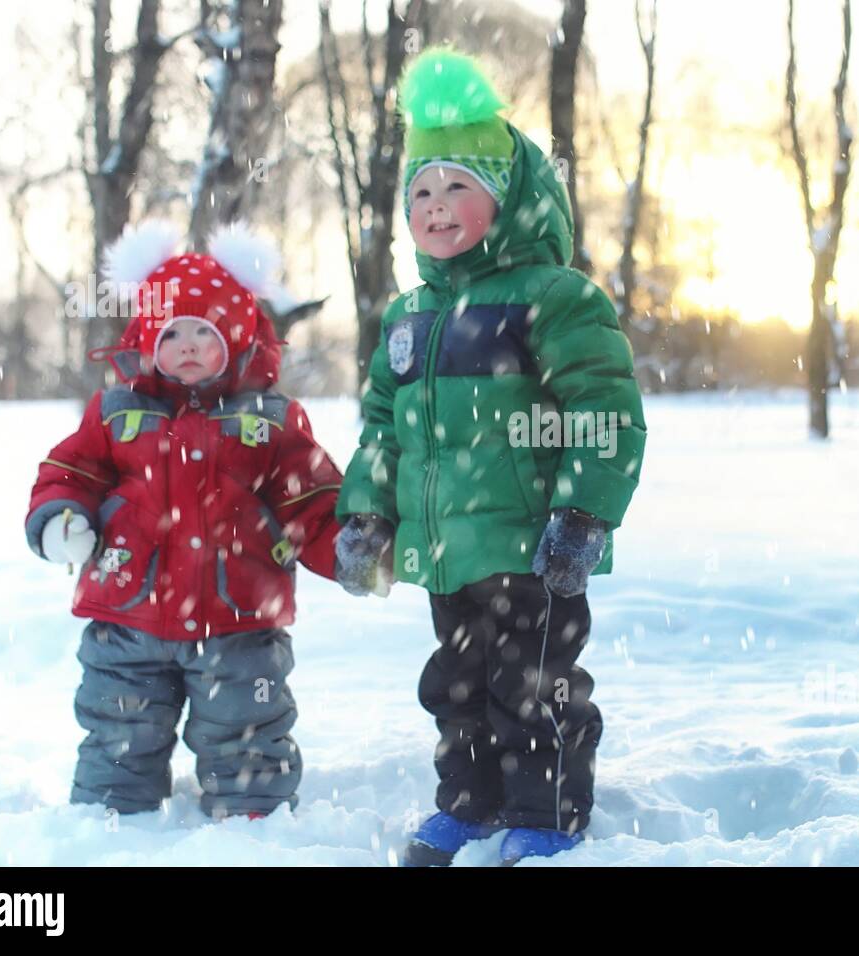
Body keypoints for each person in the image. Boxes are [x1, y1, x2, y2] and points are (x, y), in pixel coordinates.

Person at [334, 49, 647, 865]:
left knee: (531, 685)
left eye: (457, 188)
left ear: (507, 203)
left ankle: (547, 813)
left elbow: (604, 413)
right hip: (446, 552)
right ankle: (470, 803)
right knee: (456, 686)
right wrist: (368, 514)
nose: (435, 207)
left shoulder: (555, 297)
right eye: (421, 192)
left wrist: (582, 516)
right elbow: (381, 427)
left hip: (531, 550)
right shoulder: (407, 317)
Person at [25, 221, 344, 820]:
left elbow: (313, 499)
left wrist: (348, 546)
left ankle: (254, 818)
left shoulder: (271, 420)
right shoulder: (117, 412)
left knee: (246, 724)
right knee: (119, 725)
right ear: (148, 339)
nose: (191, 344)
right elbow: (70, 471)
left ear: (240, 336)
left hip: (239, 619)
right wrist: (59, 516)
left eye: (207, 330)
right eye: (174, 332)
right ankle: (110, 819)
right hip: (127, 614)